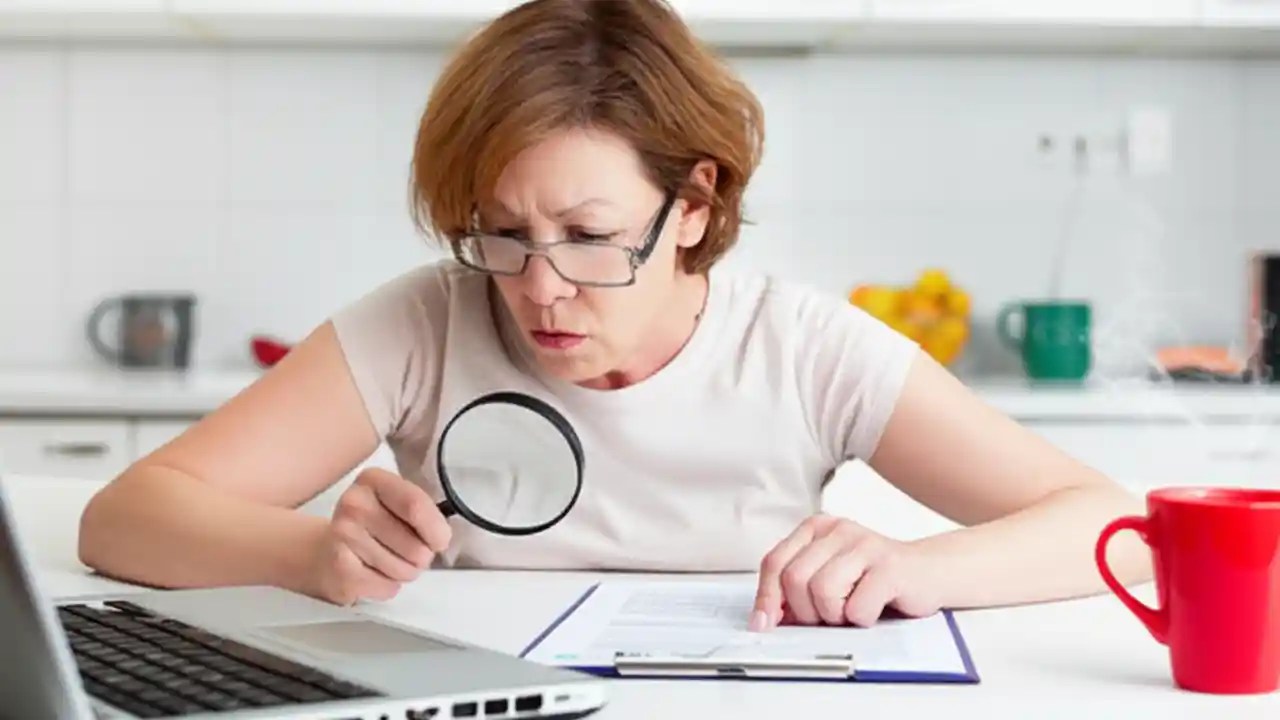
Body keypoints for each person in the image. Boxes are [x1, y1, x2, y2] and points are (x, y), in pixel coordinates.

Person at [78, 0, 1151, 631]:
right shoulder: (423, 323)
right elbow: (123, 517)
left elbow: (1117, 532)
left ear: (692, 205)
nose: (538, 288)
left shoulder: (801, 347)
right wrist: (307, 553)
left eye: (589, 238)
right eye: (499, 233)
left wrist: (916, 568)